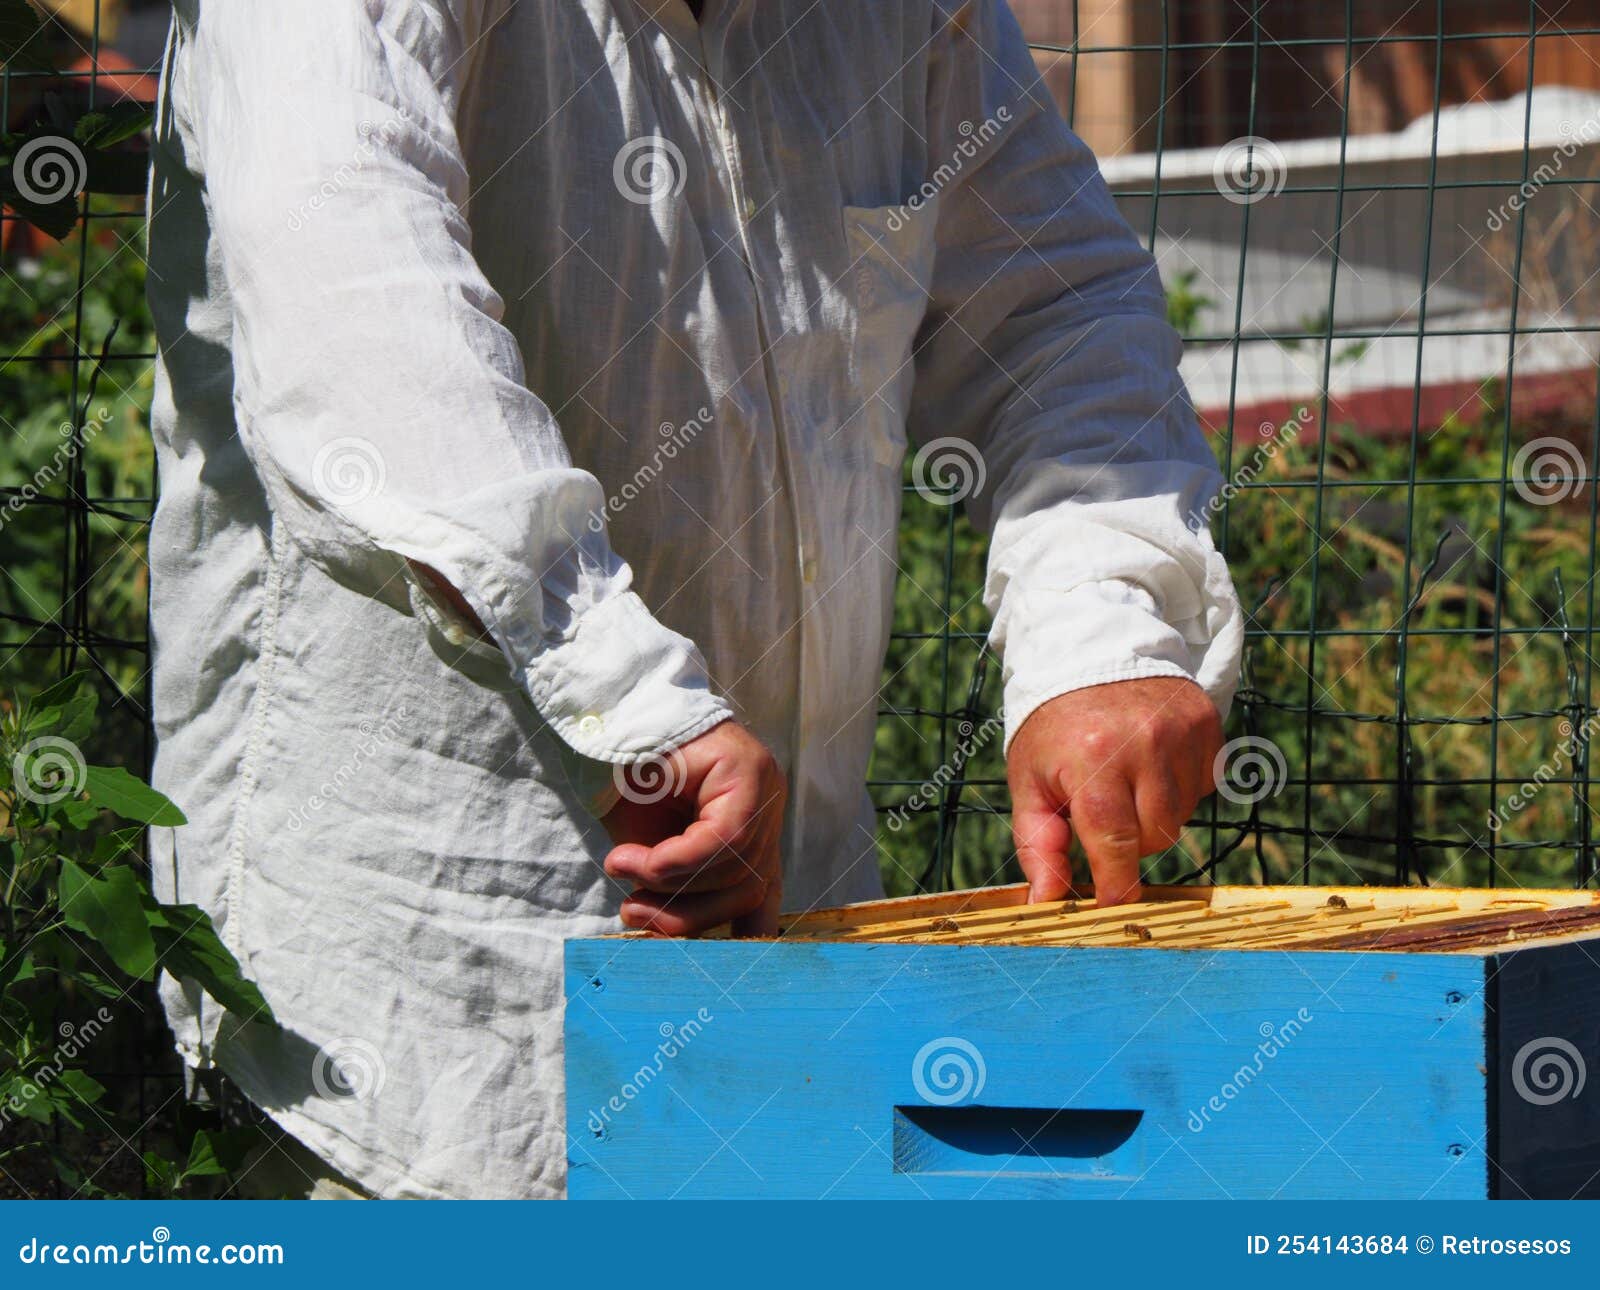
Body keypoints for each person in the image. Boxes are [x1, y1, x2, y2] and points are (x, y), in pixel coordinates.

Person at [144, 0, 1243, 1199]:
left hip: (794, 968)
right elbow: (357, 299)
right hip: (421, 1003)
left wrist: (1103, 633)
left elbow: (1052, 313)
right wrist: (631, 699)